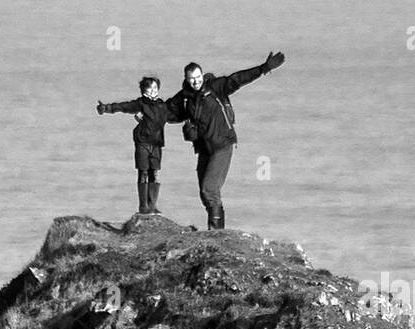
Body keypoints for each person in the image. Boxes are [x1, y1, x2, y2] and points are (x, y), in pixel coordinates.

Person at [166, 52, 285, 229]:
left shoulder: (216, 87)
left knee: (209, 189)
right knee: (205, 193)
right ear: (186, 79)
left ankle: (215, 231)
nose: (196, 81)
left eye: (198, 77)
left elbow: (238, 79)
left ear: (202, 75)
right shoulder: (184, 98)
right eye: (192, 79)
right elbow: (166, 111)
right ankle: (217, 230)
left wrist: (263, 68)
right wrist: (147, 114)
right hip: (204, 149)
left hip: (223, 146)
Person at [96, 76, 183, 216]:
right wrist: (106, 108)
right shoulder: (140, 104)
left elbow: (174, 118)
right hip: (142, 142)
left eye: (156, 87)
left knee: (154, 173)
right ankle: (143, 207)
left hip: (157, 144)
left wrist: (191, 116)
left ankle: (152, 206)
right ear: (144, 90)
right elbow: (123, 106)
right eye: (151, 88)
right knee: (143, 172)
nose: (154, 90)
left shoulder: (162, 106)